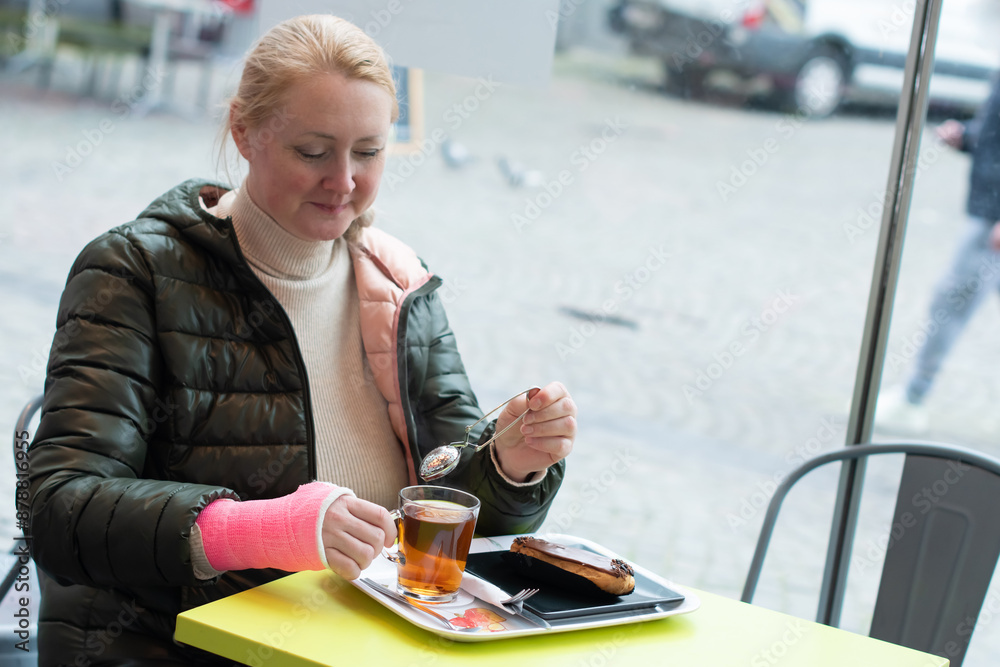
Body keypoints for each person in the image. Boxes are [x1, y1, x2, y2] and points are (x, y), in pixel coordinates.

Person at [27, 15, 577, 665]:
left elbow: (449, 498)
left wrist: (511, 463)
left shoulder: (400, 283)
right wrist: (272, 528)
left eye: (369, 152)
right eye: (313, 152)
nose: (343, 181)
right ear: (244, 132)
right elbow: (59, 510)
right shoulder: (135, 271)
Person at [877, 77, 1000, 433]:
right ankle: (913, 396)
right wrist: (968, 135)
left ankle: (913, 397)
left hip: (991, 220)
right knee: (951, 301)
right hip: (987, 215)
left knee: (951, 300)